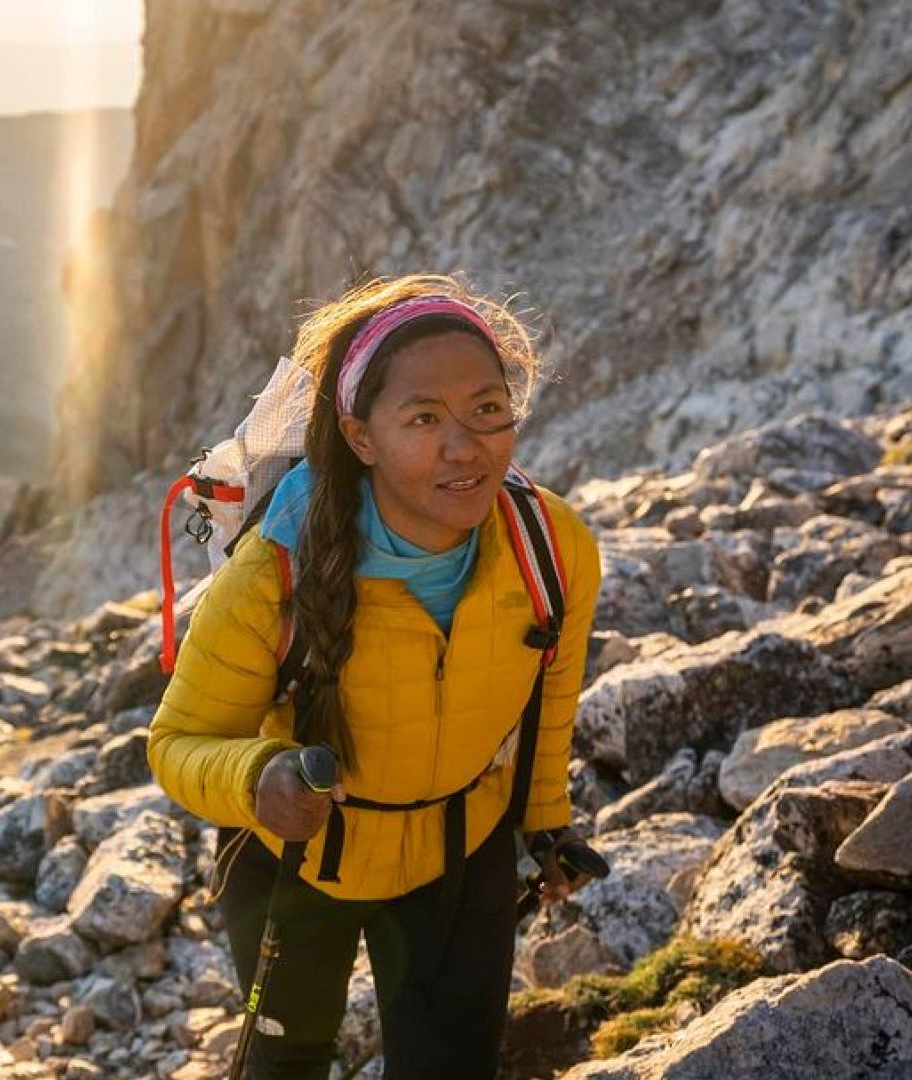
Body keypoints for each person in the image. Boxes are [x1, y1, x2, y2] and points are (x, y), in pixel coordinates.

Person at [147, 274, 604, 1080]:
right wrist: (258, 778)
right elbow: (178, 741)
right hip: (293, 857)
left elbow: (546, 698)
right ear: (361, 438)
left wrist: (548, 828)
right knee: (283, 1066)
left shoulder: (551, 545)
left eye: (488, 410)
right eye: (423, 418)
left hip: (461, 849)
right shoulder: (274, 572)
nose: (466, 447)